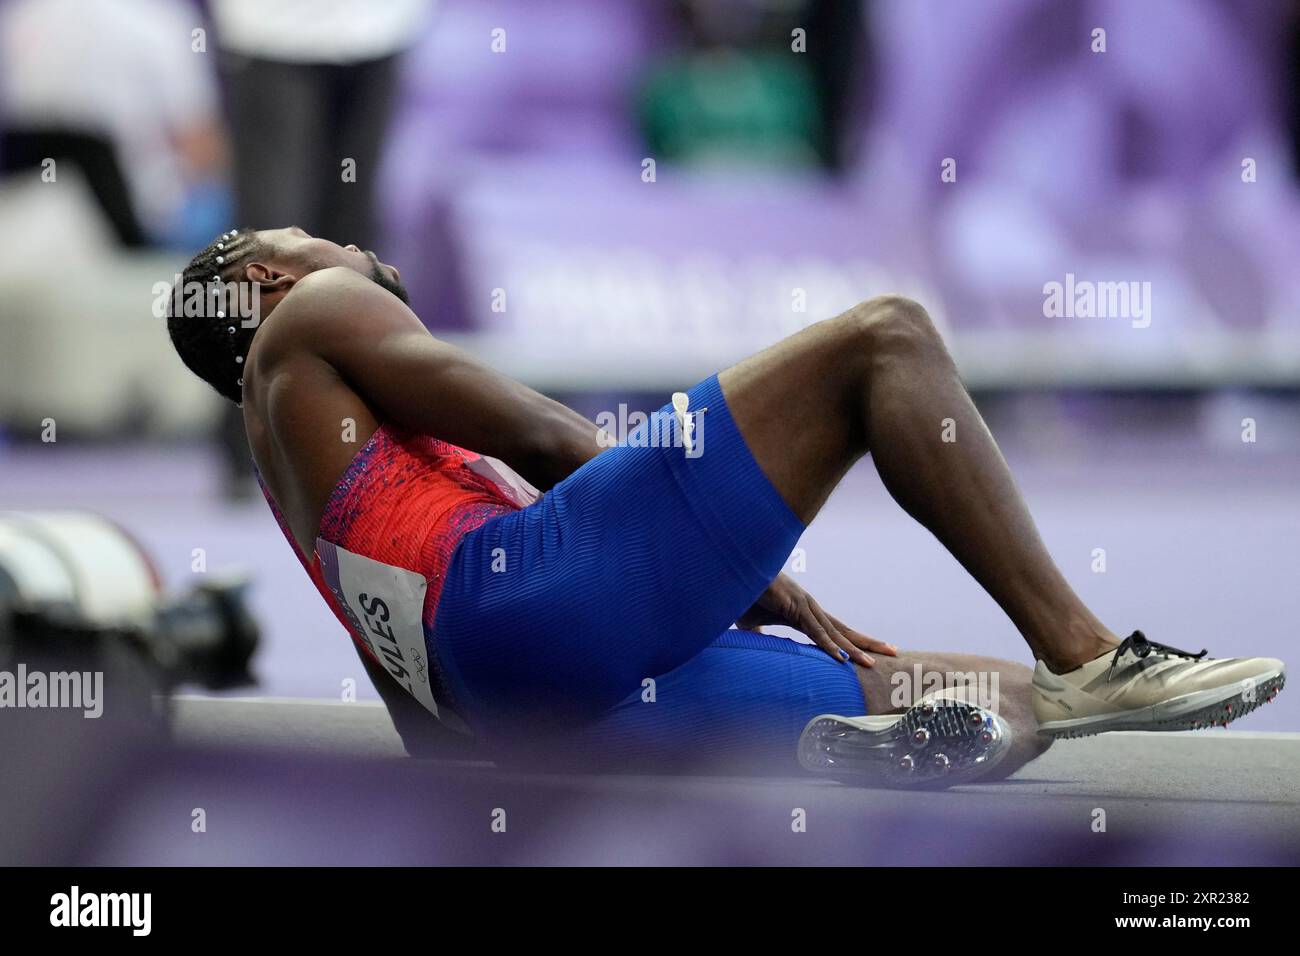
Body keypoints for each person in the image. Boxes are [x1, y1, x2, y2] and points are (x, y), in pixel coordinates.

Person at [164, 226, 1285, 786]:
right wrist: (746, 566)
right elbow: (548, 435)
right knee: (885, 339)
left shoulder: (301, 471)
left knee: (1004, 705)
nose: (346, 247)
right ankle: (1091, 648)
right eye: (310, 235)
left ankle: (894, 736)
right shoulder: (309, 313)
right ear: (263, 276)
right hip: (529, 599)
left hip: (520, 703)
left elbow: (395, 648)